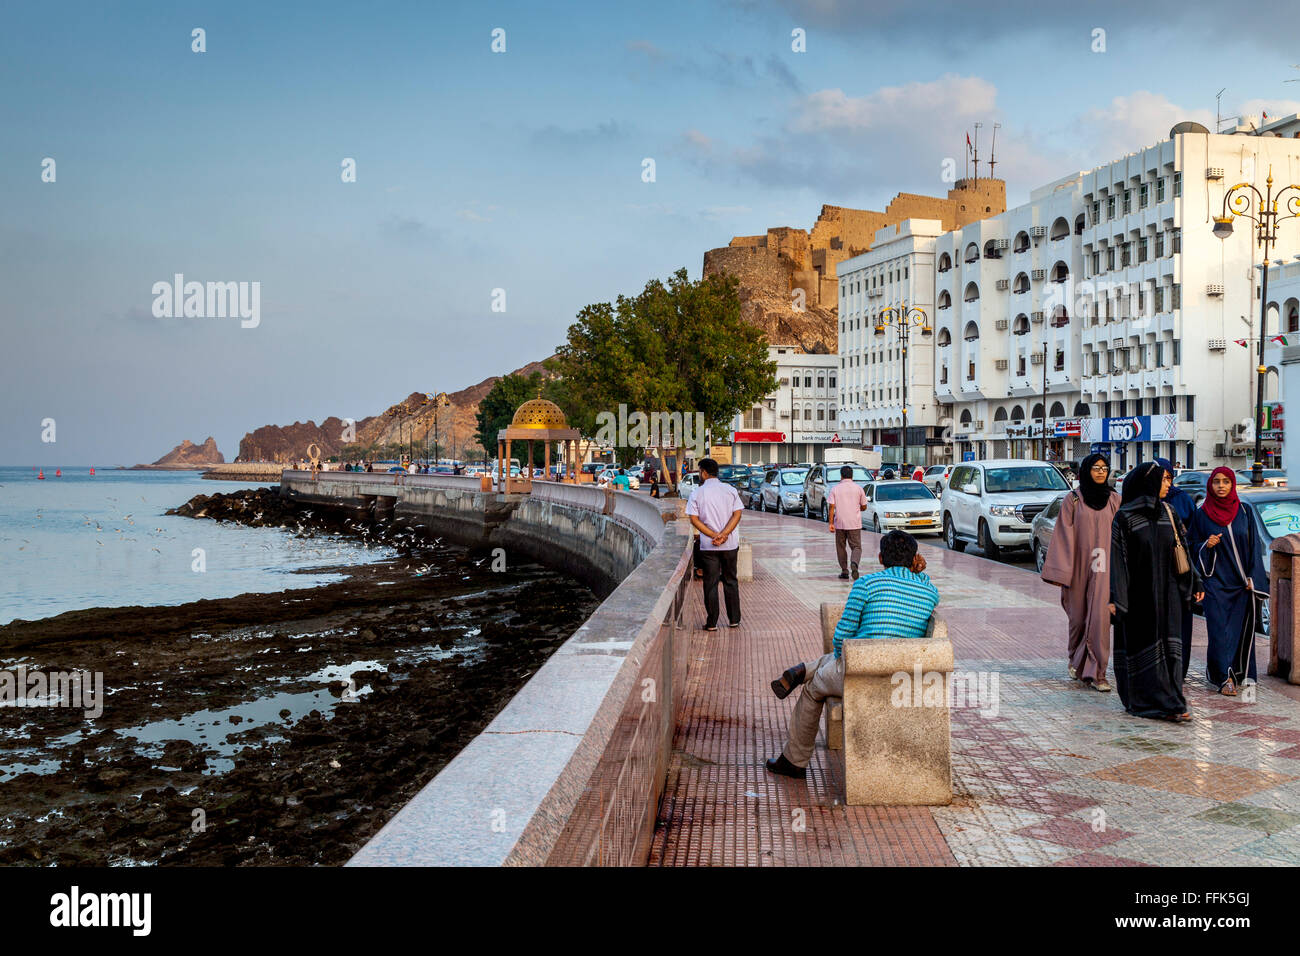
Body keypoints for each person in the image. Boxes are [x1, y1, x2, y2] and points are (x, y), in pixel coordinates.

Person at [765, 531, 940, 779]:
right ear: (915, 559)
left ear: (880, 558)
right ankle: (802, 670)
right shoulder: (930, 592)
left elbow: (841, 638)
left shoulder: (866, 585)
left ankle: (794, 760)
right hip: (902, 678)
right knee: (833, 663)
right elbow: (927, 584)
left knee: (813, 688)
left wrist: (839, 658)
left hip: (861, 676)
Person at [1108, 461, 1203, 723]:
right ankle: (1143, 702)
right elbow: (1118, 560)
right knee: (1143, 650)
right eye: (1163, 480)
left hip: (1169, 594)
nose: (1168, 485)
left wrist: (1195, 582)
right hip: (1138, 598)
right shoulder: (1125, 517)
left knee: (1171, 650)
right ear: (1148, 483)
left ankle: (1172, 702)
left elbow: (1182, 549)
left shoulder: (1169, 512)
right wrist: (1116, 598)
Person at [1041, 454, 1120, 691]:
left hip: (1104, 569)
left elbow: (1120, 537)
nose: (1100, 472)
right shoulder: (1073, 500)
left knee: (1099, 619)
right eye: (1095, 468)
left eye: (1104, 468)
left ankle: (1098, 673)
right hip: (1078, 568)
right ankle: (1076, 658)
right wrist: (1062, 571)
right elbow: (1064, 535)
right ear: (1086, 471)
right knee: (1077, 619)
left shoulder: (1115, 500)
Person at [1188, 468, 1261, 695]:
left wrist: (1253, 577)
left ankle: (1239, 673)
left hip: (1240, 584)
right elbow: (1190, 547)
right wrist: (1204, 546)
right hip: (1215, 583)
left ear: (1232, 485)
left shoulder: (1245, 512)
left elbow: (1254, 548)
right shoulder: (1202, 514)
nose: (1221, 486)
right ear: (1210, 485)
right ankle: (1223, 678)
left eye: (1226, 482)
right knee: (1219, 631)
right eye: (1217, 482)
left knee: (1239, 631)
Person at [685, 458, 744, 631]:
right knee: (730, 580)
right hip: (730, 544)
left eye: (699, 471)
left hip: (709, 546)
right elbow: (737, 514)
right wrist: (725, 535)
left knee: (710, 583)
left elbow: (693, 519)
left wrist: (713, 535)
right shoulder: (730, 490)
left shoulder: (697, 493)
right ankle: (734, 619)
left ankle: (712, 622)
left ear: (703, 472)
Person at [1158, 458, 1197, 679]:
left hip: (1180, 569)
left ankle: (1179, 671)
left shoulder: (1181, 500)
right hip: (1156, 571)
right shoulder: (1143, 502)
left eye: (1168, 477)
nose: (1164, 482)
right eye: (1160, 477)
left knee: (1182, 621)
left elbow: (1193, 532)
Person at [826, 465, 868, 580]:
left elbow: (831, 507)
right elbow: (864, 506)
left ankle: (844, 571)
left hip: (839, 523)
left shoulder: (835, 489)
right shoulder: (858, 488)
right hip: (854, 523)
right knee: (856, 547)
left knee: (841, 547)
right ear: (852, 475)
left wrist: (831, 523)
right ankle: (854, 563)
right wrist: (859, 508)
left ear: (841, 475)